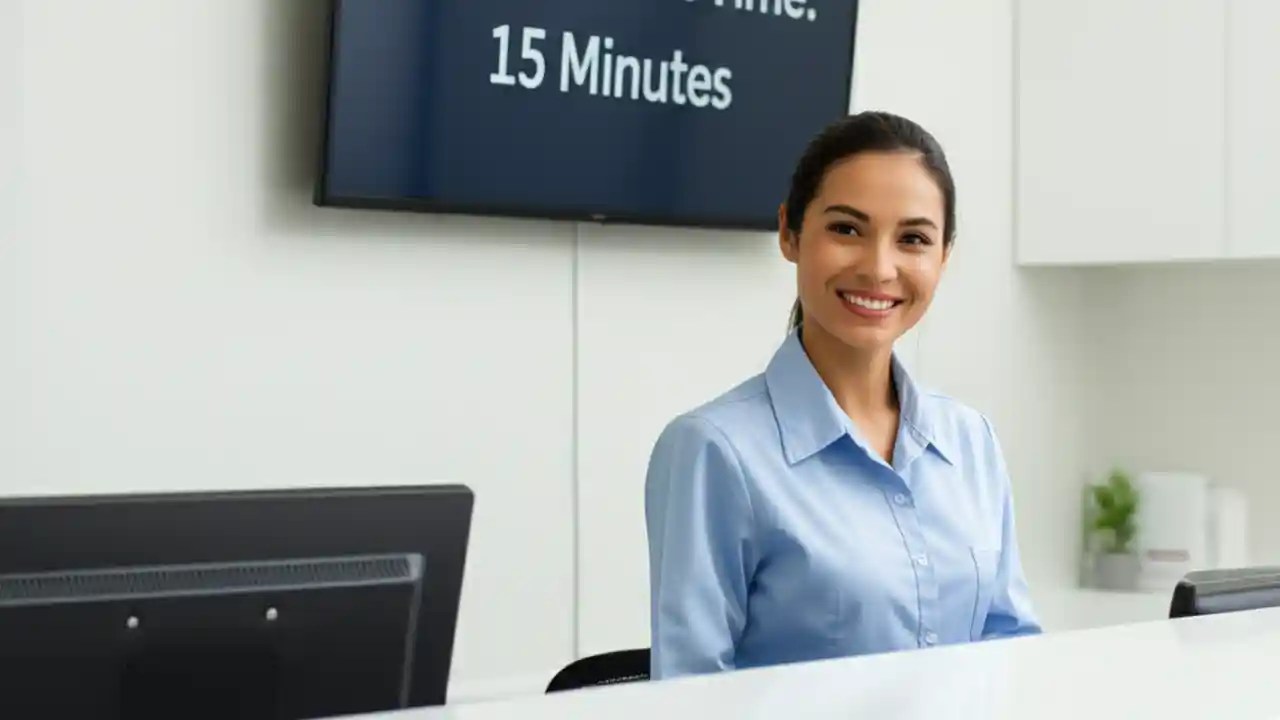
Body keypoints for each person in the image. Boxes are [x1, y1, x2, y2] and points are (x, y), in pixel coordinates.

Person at [644, 111, 1041, 680]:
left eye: (913, 239)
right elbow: (689, 696)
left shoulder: (969, 440)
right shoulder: (713, 450)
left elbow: (1013, 651)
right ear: (790, 233)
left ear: (943, 256)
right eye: (847, 229)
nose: (880, 269)